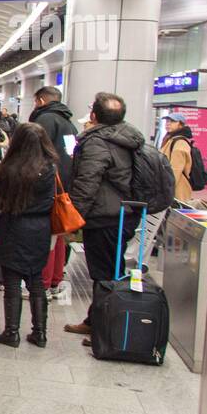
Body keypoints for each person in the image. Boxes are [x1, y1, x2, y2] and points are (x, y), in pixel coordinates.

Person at [64, 92, 146, 341]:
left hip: (105, 217)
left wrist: (73, 218)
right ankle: (97, 320)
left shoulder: (98, 142)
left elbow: (87, 183)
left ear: (94, 115)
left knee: (104, 274)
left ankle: (104, 330)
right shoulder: (129, 137)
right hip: (124, 214)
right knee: (111, 270)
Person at [0, 123, 58, 348]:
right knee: (36, 281)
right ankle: (40, 333)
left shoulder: (10, 168)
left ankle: (12, 332)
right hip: (39, 229)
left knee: (12, 282)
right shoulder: (50, 169)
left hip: (13, 227)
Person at [29, 86, 77, 300]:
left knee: (44, 236)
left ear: (40, 100)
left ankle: (43, 284)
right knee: (57, 235)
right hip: (64, 185)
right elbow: (72, 155)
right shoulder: (69, 124)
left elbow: (33, 153)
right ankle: (55, 279)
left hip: (47, 185)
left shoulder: (45, 120)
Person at [160, 112, 197, 204]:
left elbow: (175, 169)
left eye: (172, 121)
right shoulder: (170, 139)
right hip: (172, 186)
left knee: (176, 215)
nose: (168, 123)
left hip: (177, 188)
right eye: (167, 121)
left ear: (180, 124)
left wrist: (167, 189)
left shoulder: (180, 142)